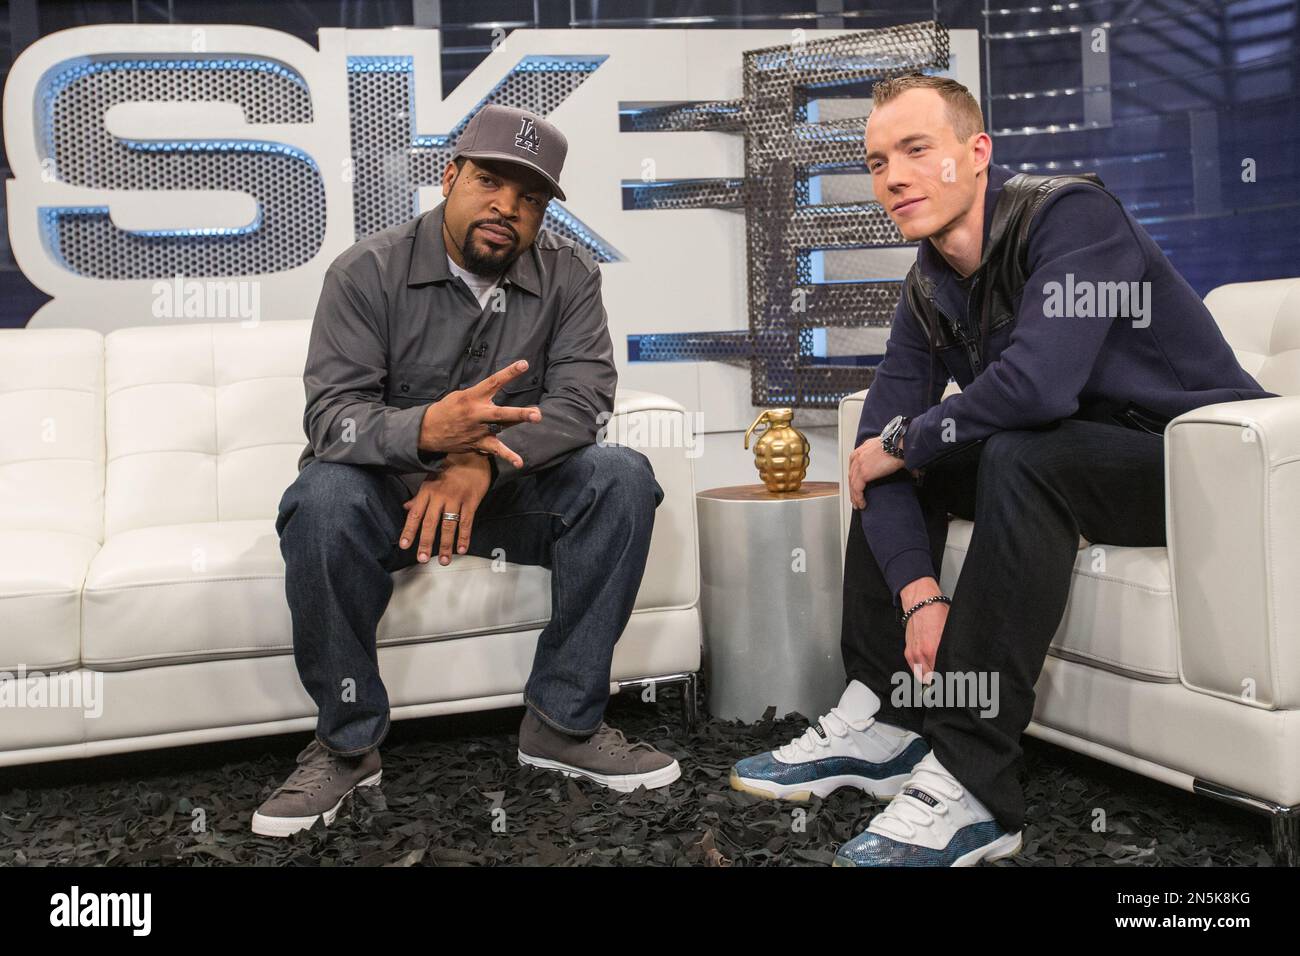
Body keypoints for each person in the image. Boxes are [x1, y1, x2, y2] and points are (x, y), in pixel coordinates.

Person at [730, 74, 1275, 866]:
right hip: (1074, 455)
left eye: (917, 150)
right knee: (887, 462)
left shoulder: (1073, 217)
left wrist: (910, 440)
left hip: (1197, 465)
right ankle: (887, 716)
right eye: (879, 162)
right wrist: (920, 592)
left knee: (999, 453)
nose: (895, 177)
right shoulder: (928, 285)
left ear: (977, 153)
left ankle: (974, 784)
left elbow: (1039, 384)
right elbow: (877, 450)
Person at [253, 105, 679, 838]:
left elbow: (582, 403)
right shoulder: (365, 273)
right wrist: (426, 431)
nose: (505, 208)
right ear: (449, 177)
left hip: (508, 497)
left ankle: (562, 725)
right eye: (488, 182)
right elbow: (333, 420)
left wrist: (477, 459)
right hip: (388, 501)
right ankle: (347, 746)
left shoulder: (571, 276)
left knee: (621, 476)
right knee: (321, 497)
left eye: (529, 199)